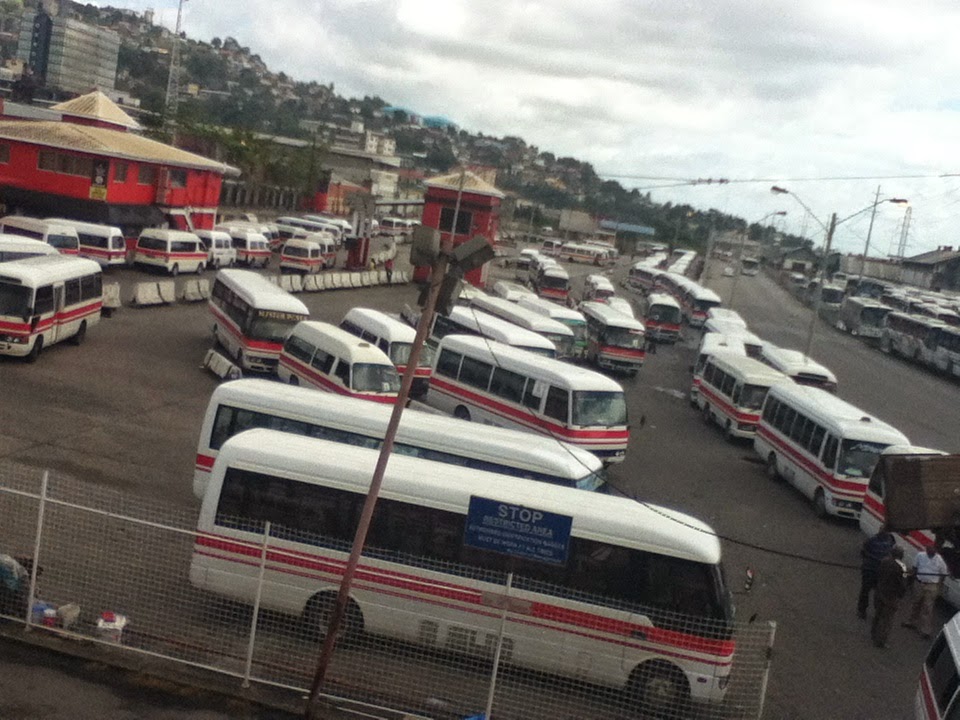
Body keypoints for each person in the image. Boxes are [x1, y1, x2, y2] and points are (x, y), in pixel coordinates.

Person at [903, 542, 950, 639]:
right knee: (915, 603)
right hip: (920, 583)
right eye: (929, 549)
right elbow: (915, 568)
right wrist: (911, 580)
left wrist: (938, 586)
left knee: (927, 608)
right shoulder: (920, 555)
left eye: (932, 550)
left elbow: (943, 574)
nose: (930, 551)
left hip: (931, 586)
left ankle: (926, 631)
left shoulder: (939, 560)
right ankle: (911, 622)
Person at [871, 546, 908, 648]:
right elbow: (903, 583)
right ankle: (881, 641)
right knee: (887, 619)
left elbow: (877, 574)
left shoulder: (884, 561)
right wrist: (901, 595)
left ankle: (873, 634)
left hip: (880, 591)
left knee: (878, 614)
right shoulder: (903, 567)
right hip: (891, 596)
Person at [858, 527, 895, 619]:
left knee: (879, 592)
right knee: (865, 591)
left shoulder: (890, 540)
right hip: (870, 570)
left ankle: (878, 611)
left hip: (882, 571)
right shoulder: (872, 540)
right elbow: (863, 551)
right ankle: (862, 610)